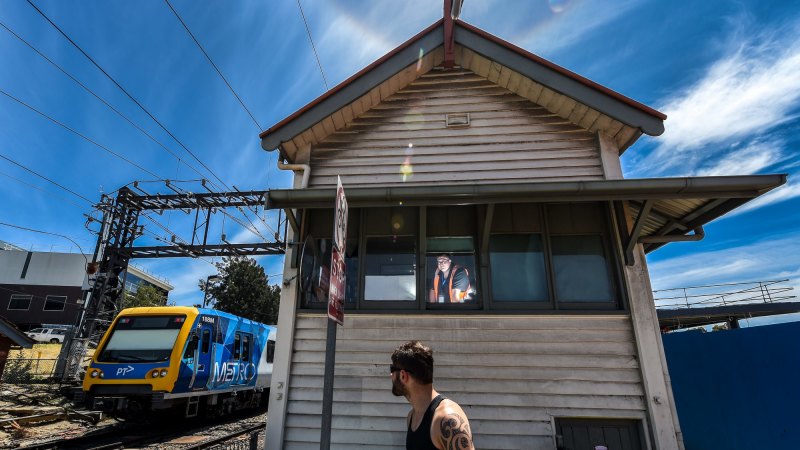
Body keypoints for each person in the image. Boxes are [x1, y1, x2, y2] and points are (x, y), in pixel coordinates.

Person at [391, 341, 475, 450]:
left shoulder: (447, 419)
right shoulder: (412, 416)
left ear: (403, 376)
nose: (391, 375)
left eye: (392, 369)